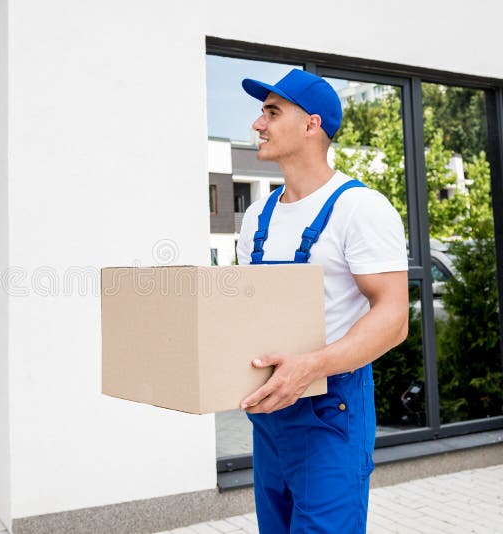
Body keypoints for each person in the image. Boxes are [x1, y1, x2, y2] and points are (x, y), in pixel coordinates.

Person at [235, 69, 410, 533]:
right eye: (261, 112)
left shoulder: (360, 208)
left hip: (331, 411)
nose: (258, 124)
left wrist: (310, 367)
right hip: (270, 417)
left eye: (272, 112)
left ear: (312, 125)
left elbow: (393, 319)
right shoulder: (257, 216)